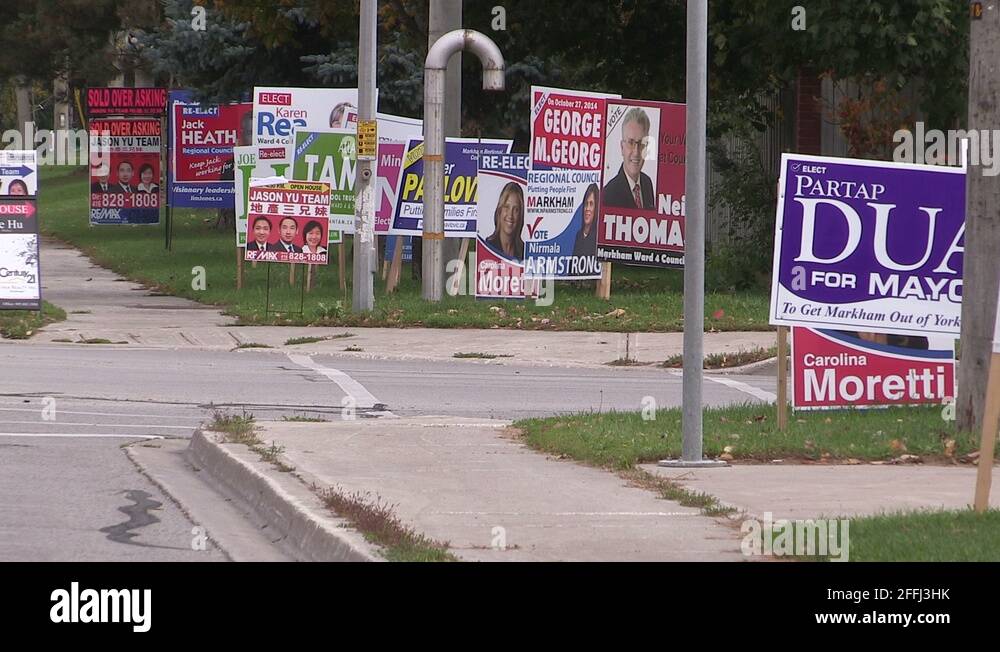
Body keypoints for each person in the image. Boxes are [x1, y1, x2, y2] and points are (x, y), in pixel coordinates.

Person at [602, 107, 654, 210]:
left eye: (641, 143)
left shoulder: (647, 183)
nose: (636, 152)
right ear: (622, 147)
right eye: (631, 142)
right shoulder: (608, 194)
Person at [484, 182, 524, 261]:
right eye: (506, 207)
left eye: (516, 209)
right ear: (499, 211)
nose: (510, 215)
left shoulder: (524, 251)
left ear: (520, 215)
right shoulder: (488, 246)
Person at [572, 183, 600, 258]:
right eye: (586, 204)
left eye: (591, 204)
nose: (587, 208)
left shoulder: (598, 237)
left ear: (596, 207)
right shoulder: (579, 235)